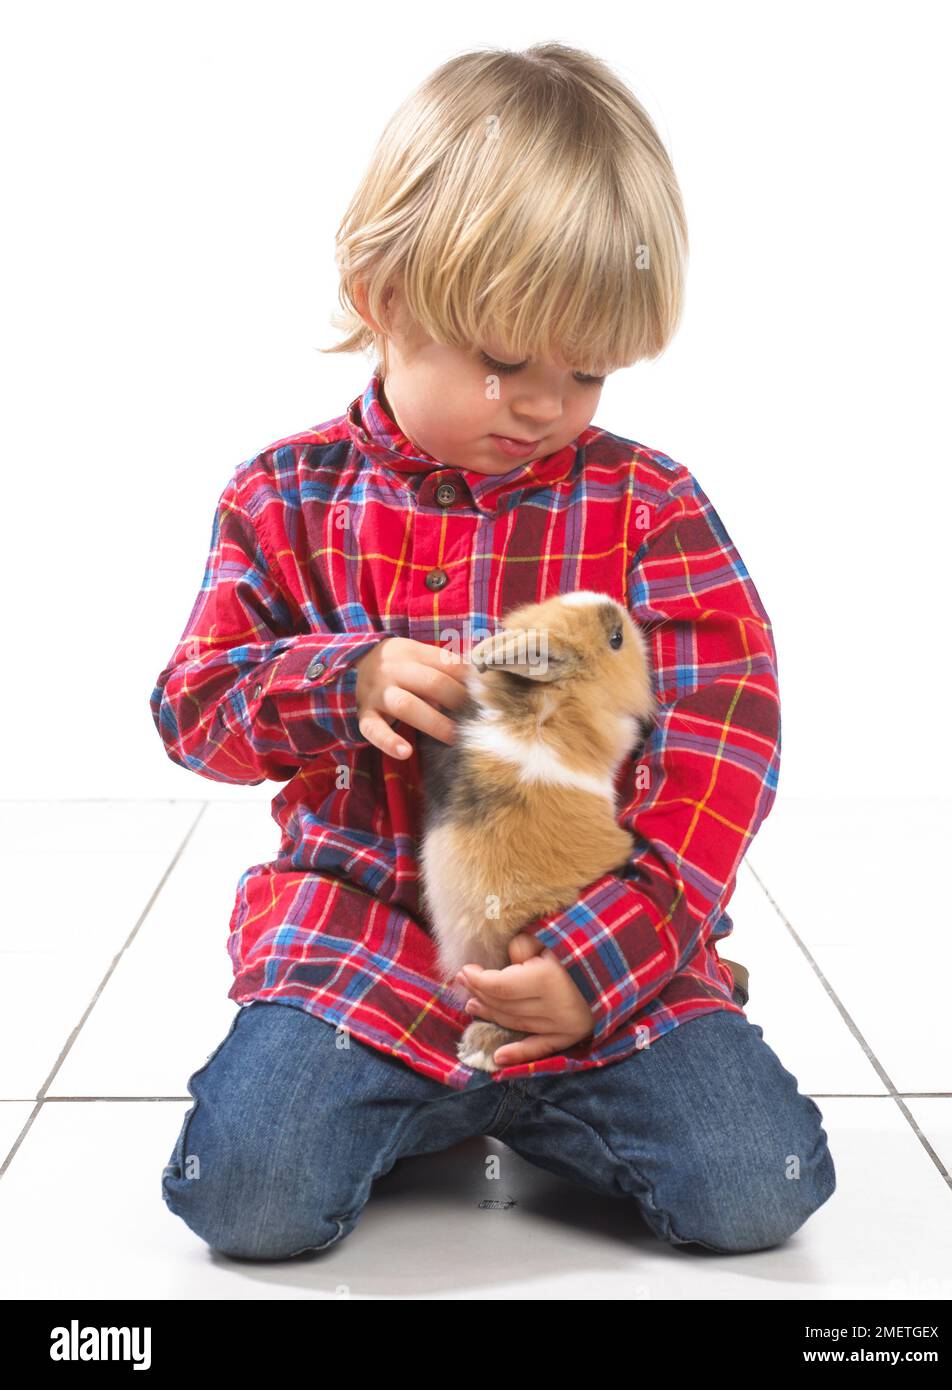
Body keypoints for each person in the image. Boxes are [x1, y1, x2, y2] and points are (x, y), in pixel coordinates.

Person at [150, 42, 835, 1261]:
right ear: (381, 294)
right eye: (506, 361)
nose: (546, 407)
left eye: (587, 371)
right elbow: (194, 710)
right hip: (368, 940)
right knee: (244, 1197)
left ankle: (535, 1093)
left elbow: (725, 746)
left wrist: (605, 954)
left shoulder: (647, 504)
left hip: (597, 942)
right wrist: (337, 676)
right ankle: (421, 1093)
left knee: (759, 1187)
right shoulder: (284, 494)